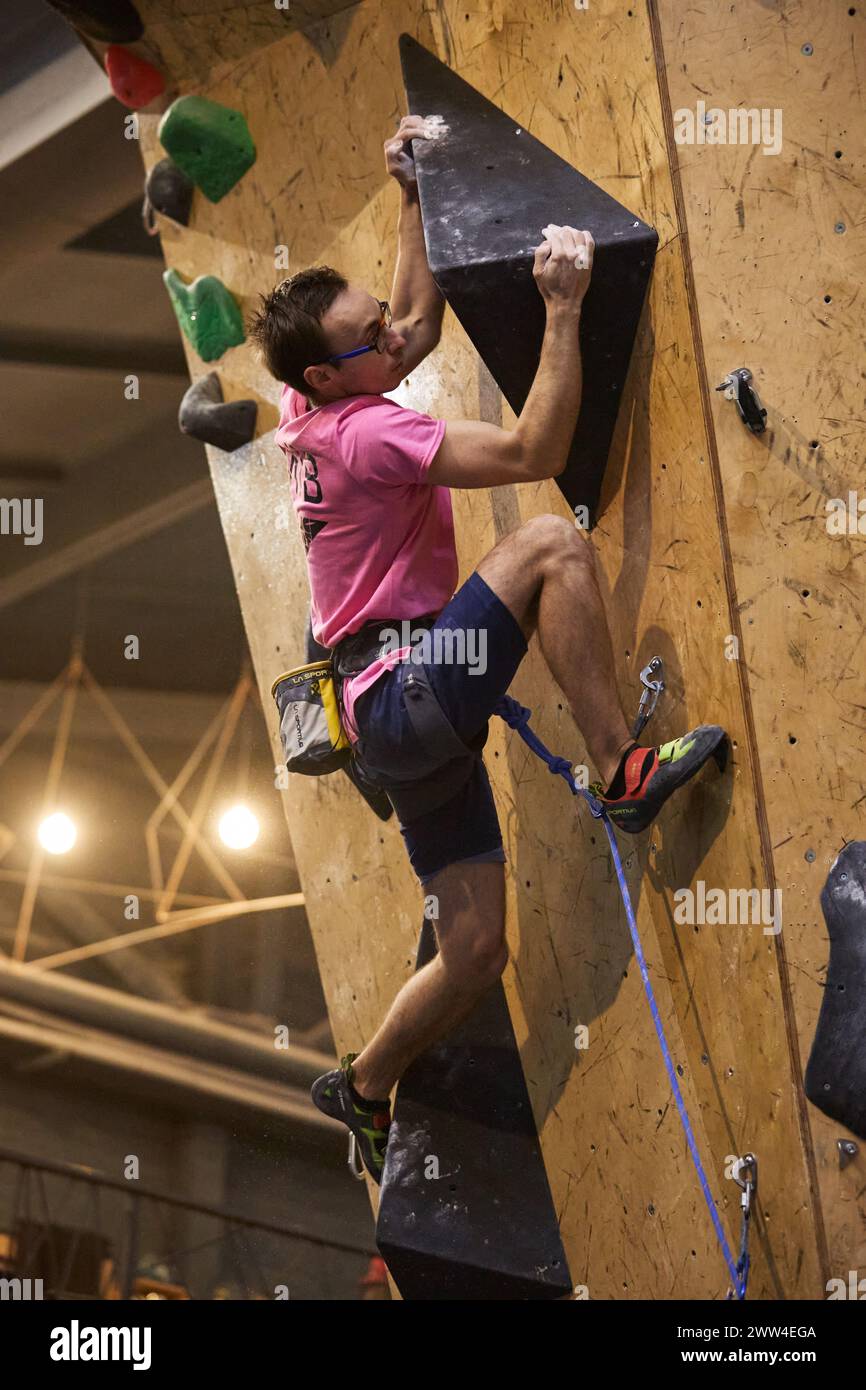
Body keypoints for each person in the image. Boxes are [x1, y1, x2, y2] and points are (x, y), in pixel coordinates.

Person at [249, 114, 726, 1185]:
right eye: (367, 339)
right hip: (408, 696)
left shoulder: (306, 402)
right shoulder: (371, 432)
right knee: (553, 543)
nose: (394, 336)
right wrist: (561, 310)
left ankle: (364, 1085)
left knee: (472, 953)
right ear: (331, 376)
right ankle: (620, 773)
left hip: (393, 721)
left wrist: (412, 196)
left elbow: (410, 319)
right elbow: (531, 450)